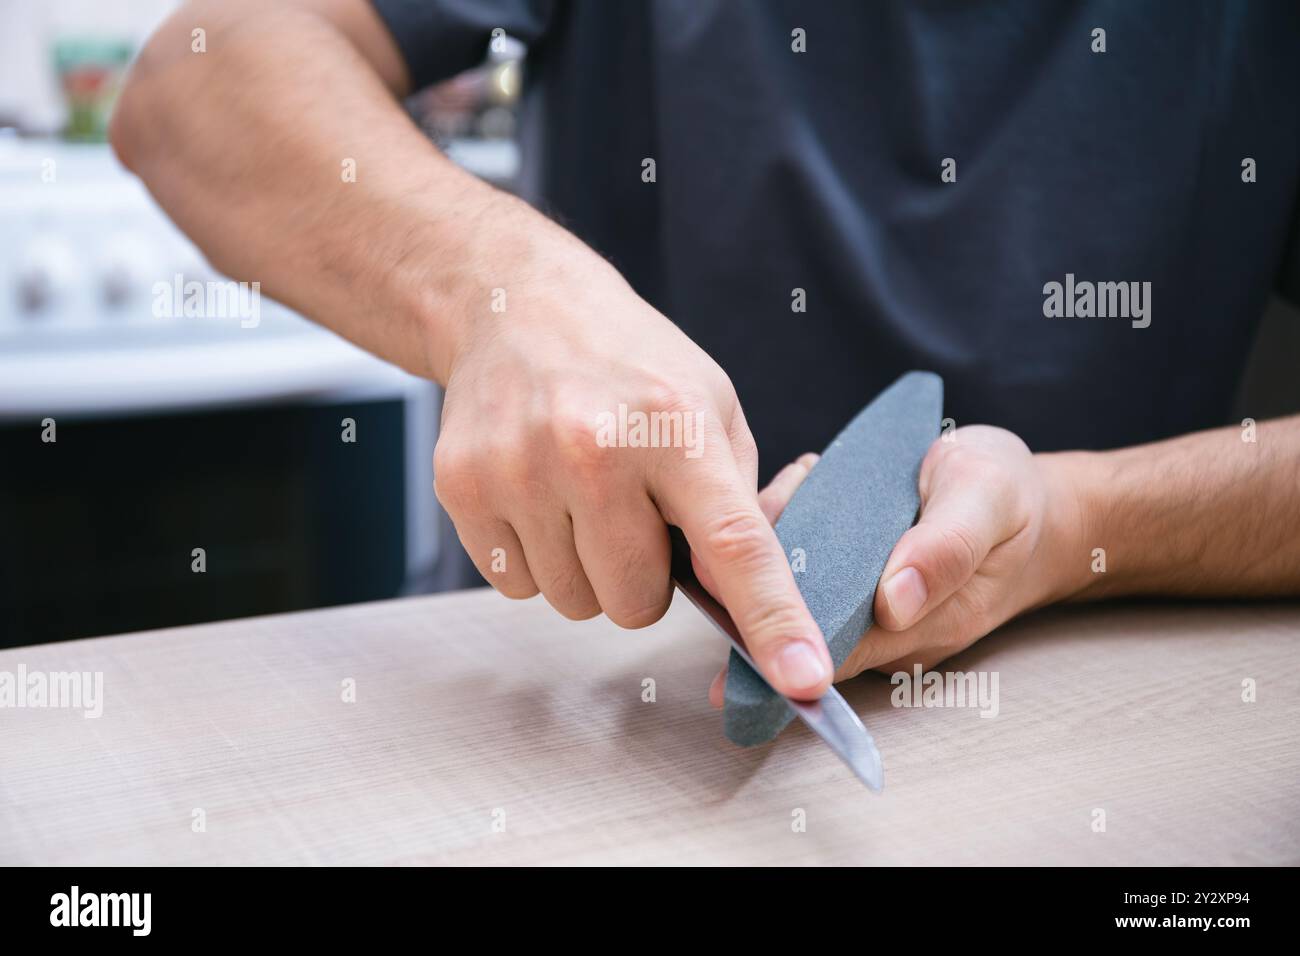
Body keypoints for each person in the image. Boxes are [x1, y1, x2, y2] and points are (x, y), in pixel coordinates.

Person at [110, 0, 1300, 709]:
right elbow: (194, 81)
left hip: (1091, 719)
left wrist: (1081, 518)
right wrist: (503, 288)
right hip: (566, 704)